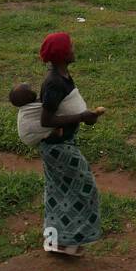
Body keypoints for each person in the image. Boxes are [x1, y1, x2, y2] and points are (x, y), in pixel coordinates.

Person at [37, 32, 104, 256]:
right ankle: (68, 239)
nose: (74, 50)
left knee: (59, 192)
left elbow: (66, 110)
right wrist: (81, 117)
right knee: (85, 188)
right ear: (62, 55)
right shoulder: (54, 83)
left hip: (62, 143)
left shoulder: (62, 75)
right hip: (57, 147)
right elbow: (46, 120)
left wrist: (86, 117)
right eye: (70, 48)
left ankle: (58, 241)